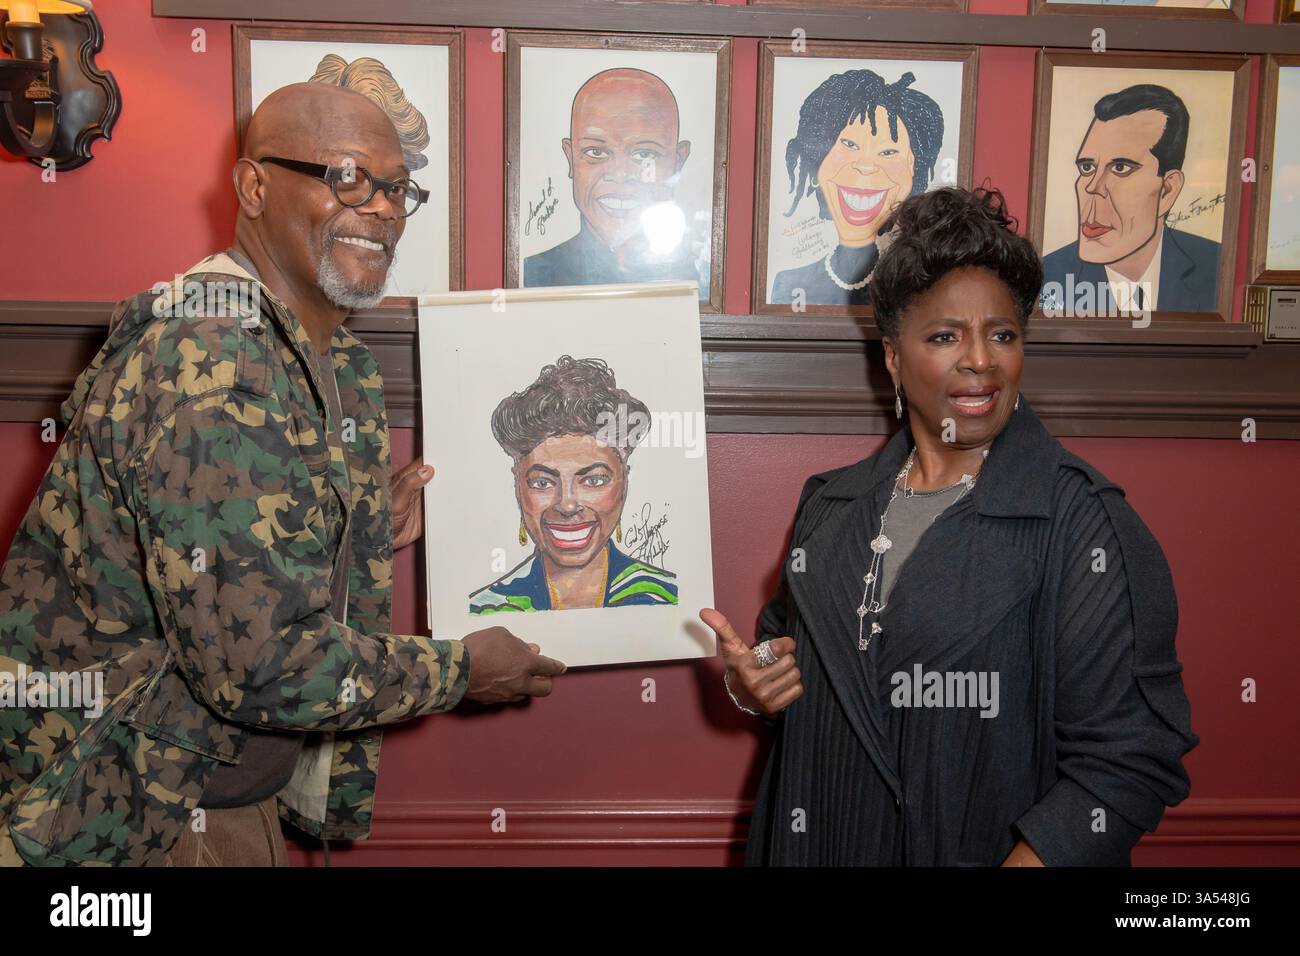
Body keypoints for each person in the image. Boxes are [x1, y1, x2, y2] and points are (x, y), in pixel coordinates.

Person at [0, 82, 564, 868]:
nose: (382, 208)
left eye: (399, 188)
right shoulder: (212, 353)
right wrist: (463, 671)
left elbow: (220, 557)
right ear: (254, 187)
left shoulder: (334, 360)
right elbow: (257, 667)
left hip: (224, 801)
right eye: (346, 176)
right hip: (134, 822)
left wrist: (356, 531)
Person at [704, 186, 1197, 866]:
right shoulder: (830, 507)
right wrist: (752, 684)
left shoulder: (1082, 523)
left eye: (1002, 334)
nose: (980, 359)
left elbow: (1130, 763)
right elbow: (782, 656)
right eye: (944, 336)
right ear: (894, 358)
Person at [471, 356, 678, 613]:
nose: (567, 505)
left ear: (624, 482)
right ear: (518, 486)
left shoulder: (666, 598)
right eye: (542, 482)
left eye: (594, 480)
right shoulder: (485, 609)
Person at [1040, 84, 1220, 315]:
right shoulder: (1048, 275)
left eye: (1120, 167)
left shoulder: (1216, 267)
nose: (1093, 187)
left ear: (1167, 190)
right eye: (1087, 167)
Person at [770, 69, 943, 308]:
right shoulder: (787, 284)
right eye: (849, 145)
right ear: (818, 159)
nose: (866, 166)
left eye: (888, 152)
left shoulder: (924, 288)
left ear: (915, 170)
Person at [522, 68, 703, 293]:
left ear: (678, 161)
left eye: (644, 154)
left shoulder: (700, 281)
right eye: (596, 152)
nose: (619, 174)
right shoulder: (533, 276)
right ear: (570, 158)